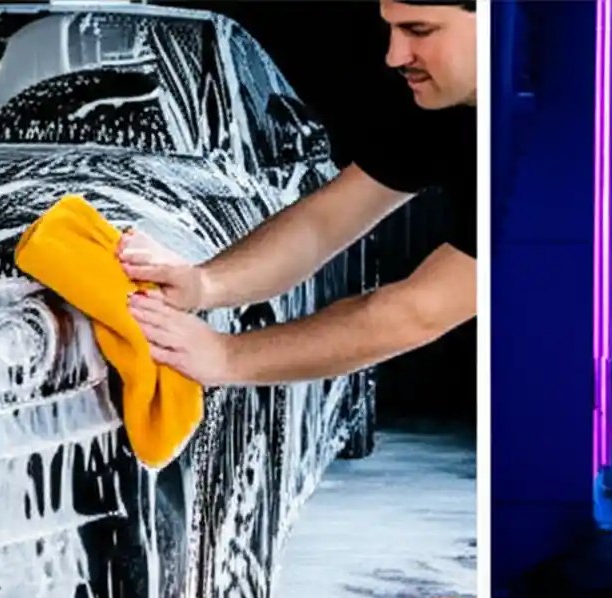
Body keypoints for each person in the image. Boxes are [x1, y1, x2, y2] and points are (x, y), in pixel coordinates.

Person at [120, 0, 476, 386]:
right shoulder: (436, 103)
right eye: (391, 28)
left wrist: (228, 357)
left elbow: (417, 312)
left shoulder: (540, 154)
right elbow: (324, 222)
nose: (394, 56)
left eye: (419, 31)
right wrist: (204, 284)